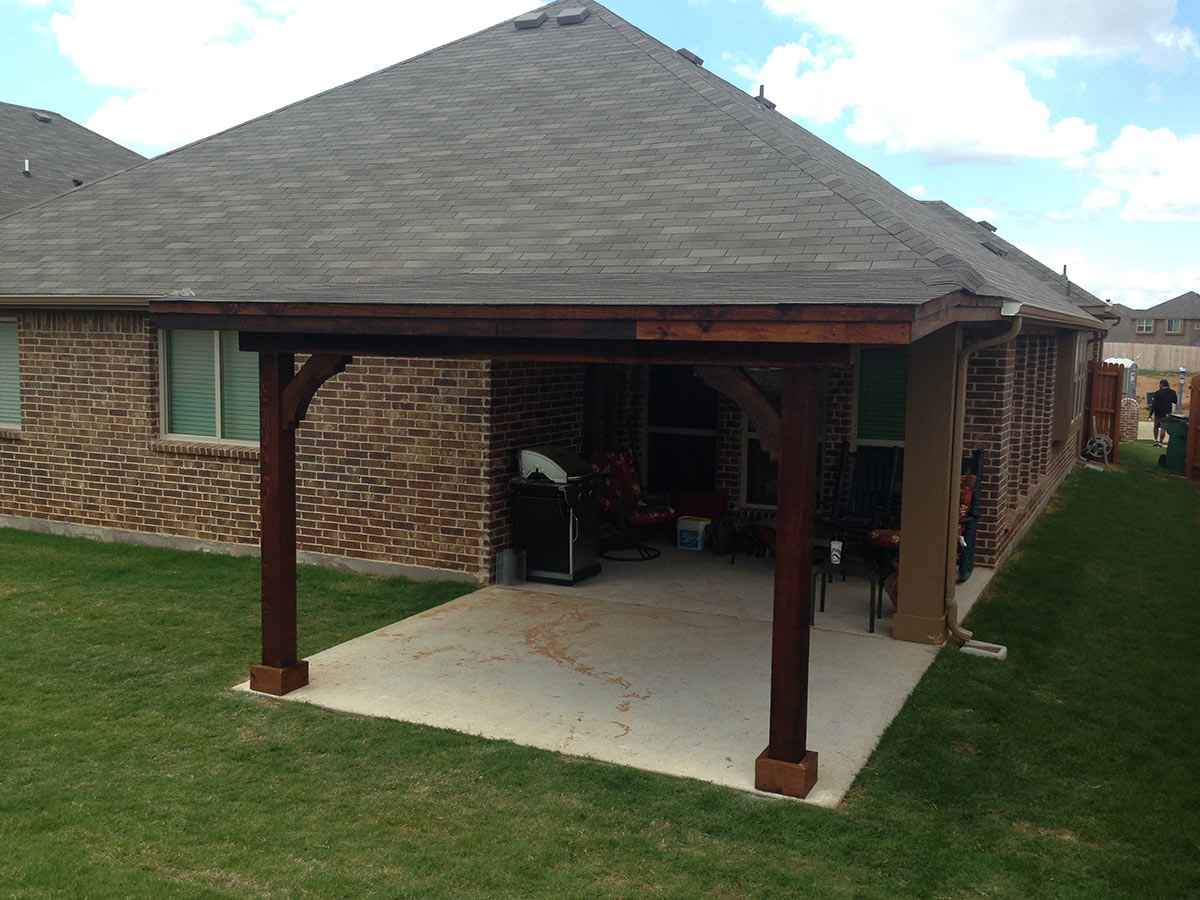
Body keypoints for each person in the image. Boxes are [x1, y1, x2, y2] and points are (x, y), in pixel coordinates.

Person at [1148, 379, 1179, 447]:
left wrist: (1150, 414)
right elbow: (1175, 401)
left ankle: (1156, 440)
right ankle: (1161, 442)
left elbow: (1154, 404)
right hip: (1167, 413)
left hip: (1158, 412)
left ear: (1161, 384)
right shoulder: (1172, 392)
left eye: (1160, 384)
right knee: (1163, 428)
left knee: (1156, 426)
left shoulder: (1158, 393)